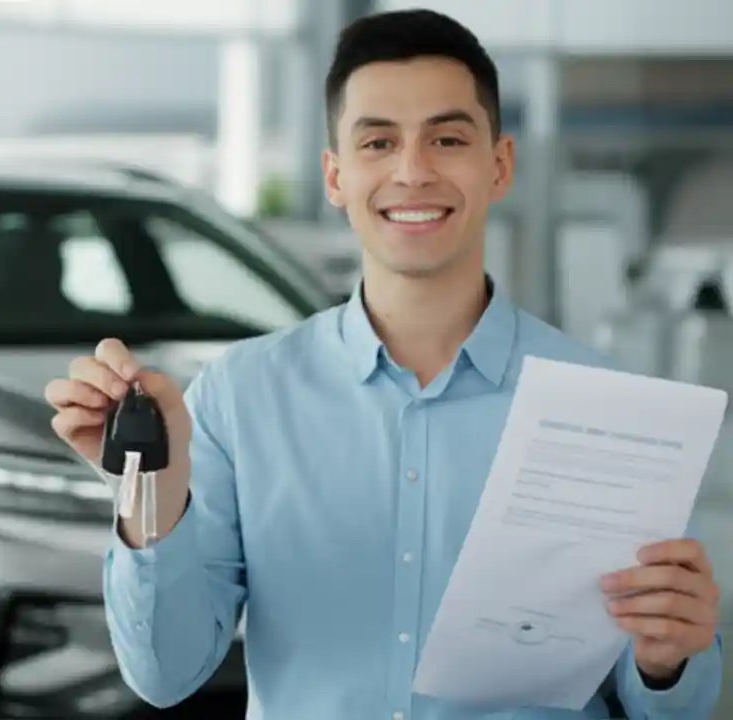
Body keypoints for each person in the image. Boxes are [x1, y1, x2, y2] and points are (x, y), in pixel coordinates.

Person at [44, 8, 724, 720]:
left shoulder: (611, 408)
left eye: (448, 138)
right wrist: (153, 486)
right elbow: (164, 673)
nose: (413, 171)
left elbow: (669, 705)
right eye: (378, 142)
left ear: (499, 166)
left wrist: (668, 658)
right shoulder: (240, 395)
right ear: (335, 176)